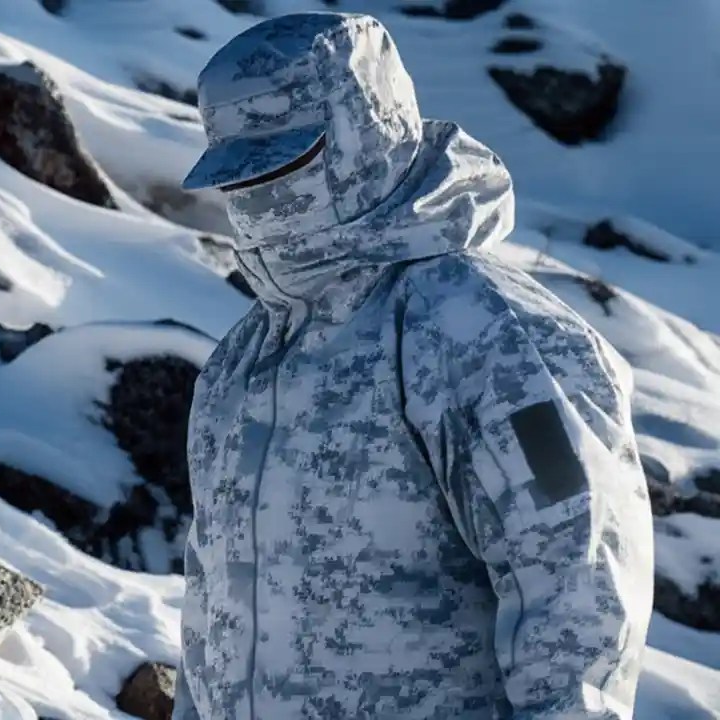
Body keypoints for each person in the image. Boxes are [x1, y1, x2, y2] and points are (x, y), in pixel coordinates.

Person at [174, 12, 653, 719]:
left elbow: (576, 584)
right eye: (240, 172)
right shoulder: (243, 362)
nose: (259, 193)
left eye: (285, 162)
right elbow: (211, 606)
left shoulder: (483, 333)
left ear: (363, 133)